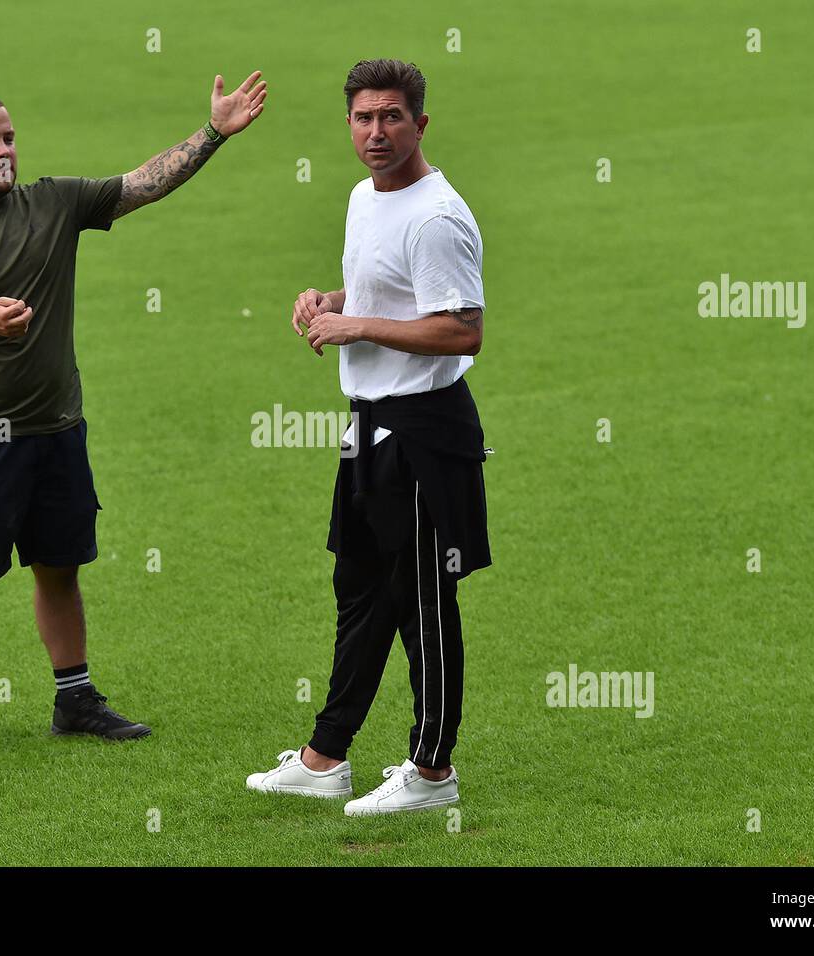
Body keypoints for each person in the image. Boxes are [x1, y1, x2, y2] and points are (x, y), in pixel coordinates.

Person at [0, 75, 268, 767]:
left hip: (57, 429)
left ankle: (74, 698)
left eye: (9, 136)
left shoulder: (55, 203)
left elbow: (142, 184)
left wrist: (212, 133)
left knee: (60, 567)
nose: (4, 150)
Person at [246, 59, 488, 815]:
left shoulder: (437, 215)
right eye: (362, 118)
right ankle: (326, 758)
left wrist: (355, 325)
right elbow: (393, 291)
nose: (376, 132)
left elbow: (460, 328)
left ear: (421, 122)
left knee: (422, 601)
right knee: (358, 591)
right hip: (367, 428)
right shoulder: (362, 196)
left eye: (391, 117)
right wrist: (332, 300)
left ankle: (433, 773)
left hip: (421, 434)